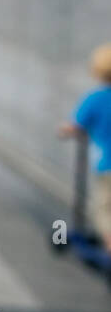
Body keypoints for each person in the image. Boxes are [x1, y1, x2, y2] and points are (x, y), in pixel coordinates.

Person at [57, 43, 111, 251]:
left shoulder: (95, 99)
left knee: (104, 211)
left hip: (108, 166)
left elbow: (73, 126)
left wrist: (63, 130)